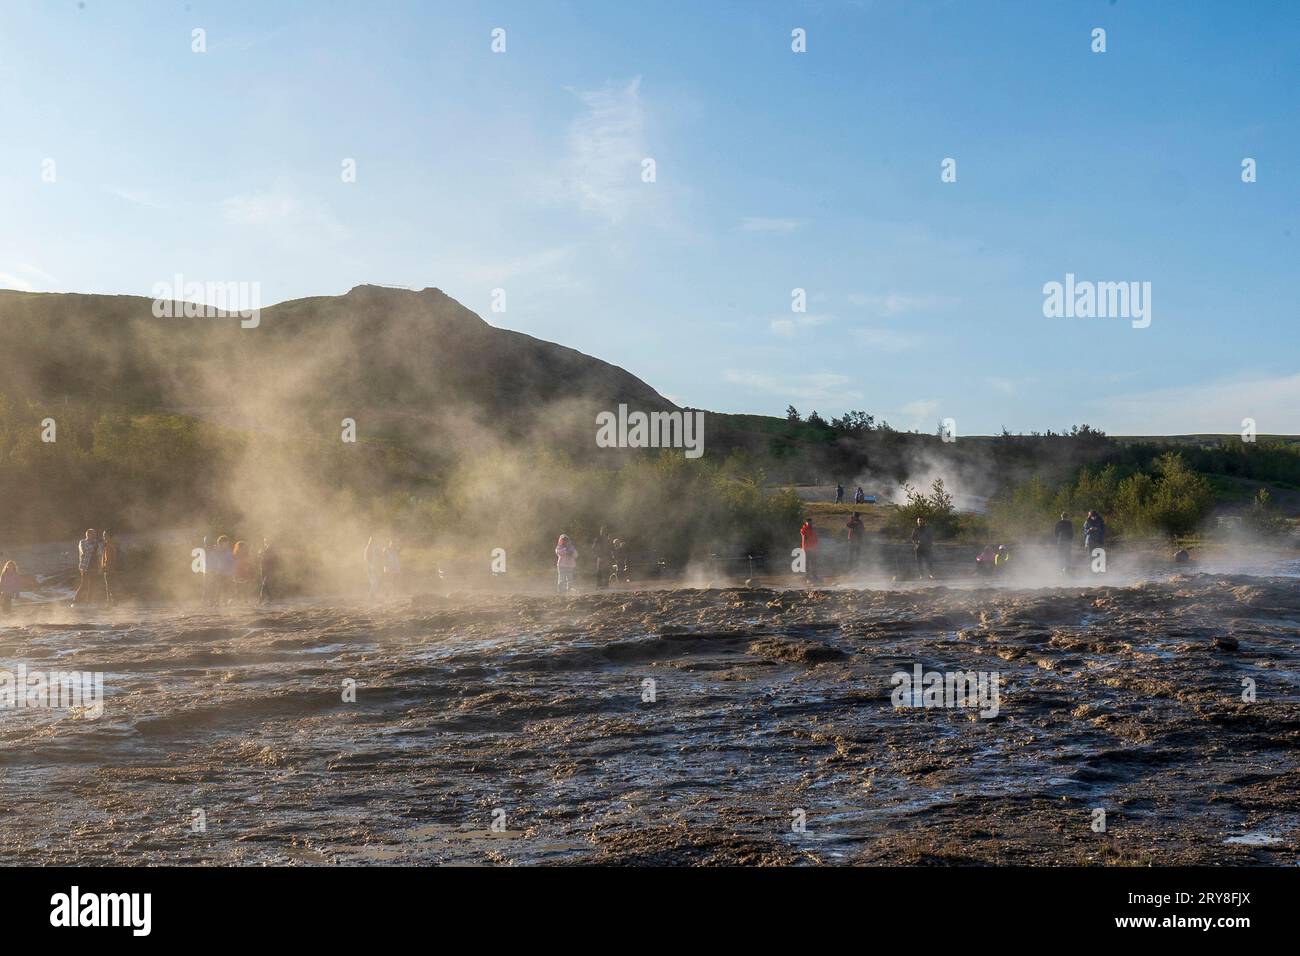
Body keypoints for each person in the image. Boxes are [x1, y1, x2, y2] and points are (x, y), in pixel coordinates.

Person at [73, 529, 101, 606]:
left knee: (92, 585)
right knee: (84, 584)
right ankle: (75, 600)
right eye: (93, 534)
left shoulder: (96, 543)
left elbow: (99, 554)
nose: (94, 536)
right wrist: (94, 546)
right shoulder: (82, 542)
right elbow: (85, 550)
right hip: (85, 567)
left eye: (95, 534)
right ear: (88, 535)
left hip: (94, 566)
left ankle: (89, 602)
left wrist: (100, 566)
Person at [100, 530, 122, 606]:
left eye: (105, 535)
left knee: (109, 586)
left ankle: (110, 602)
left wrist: (106, 568)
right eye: (103, 535)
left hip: (109, 569)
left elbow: (109, 559)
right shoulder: (109, 545)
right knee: (111, 585)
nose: (103, 536)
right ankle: (113, 601)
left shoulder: (108, 546)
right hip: (111, 568)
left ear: (109, 536)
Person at [257, 538, 276, 604]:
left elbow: (273, 558)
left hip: (270, 568)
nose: (266, 542)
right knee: (265, 584)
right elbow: (259, 556)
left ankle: (261, 598)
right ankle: (270, 597)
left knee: (264, 583)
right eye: (265, 541)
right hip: (262, 568)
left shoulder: (271, 549)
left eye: (268, 541)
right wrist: (259, 554)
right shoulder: (263, 548)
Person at [363, 536, 380, 601]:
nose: (373, 542)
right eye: (372, 541)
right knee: (374, 582)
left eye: (374, 541)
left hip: (373, 567)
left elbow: (376, 558)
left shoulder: (373, 548)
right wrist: (370, 567)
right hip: (370, 568)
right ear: (370, 541)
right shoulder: (368, 548)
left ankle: (372, 596)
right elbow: (366, 559)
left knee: (375, 582)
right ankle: (370, 596)